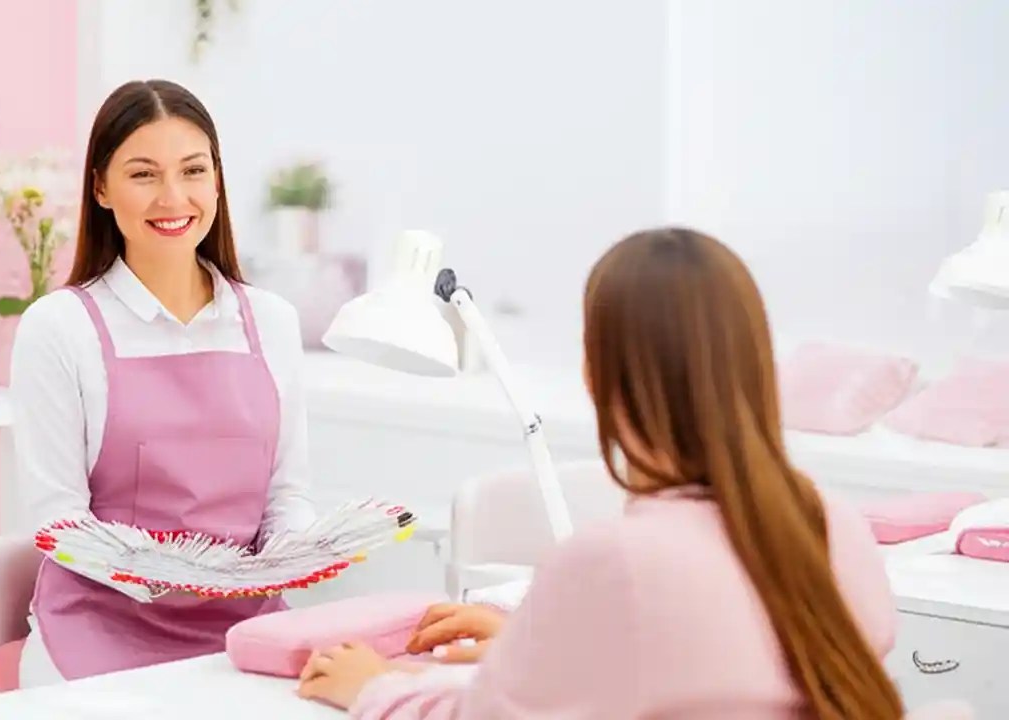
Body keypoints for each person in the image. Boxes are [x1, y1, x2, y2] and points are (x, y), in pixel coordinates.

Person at [297, 228, 905, 718]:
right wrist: (535, 647)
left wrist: (372, 687)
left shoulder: (616, 561)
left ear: (596, 373)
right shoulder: (837, 526)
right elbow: (718, 670)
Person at [10, 79, 316, 685]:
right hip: (98, 630)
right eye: (144, 174)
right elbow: (57, 520)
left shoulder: (272, 322)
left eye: (193, 170)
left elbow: (289, 495)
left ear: (217, 179)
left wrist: (289, 558)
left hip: (246, 631)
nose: (173, 197)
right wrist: (164, 575)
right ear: (100, 187)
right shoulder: (60, 327)